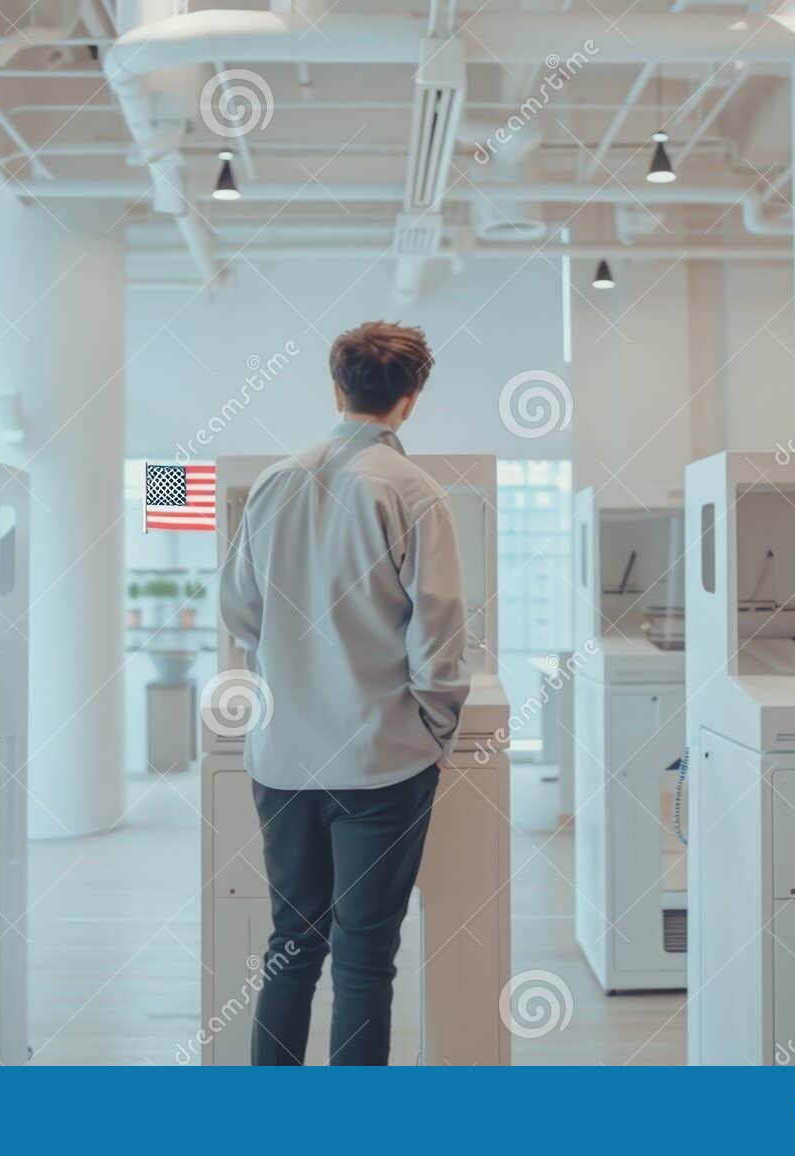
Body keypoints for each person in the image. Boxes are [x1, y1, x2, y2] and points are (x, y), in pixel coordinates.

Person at [220, 321, 471, 1065]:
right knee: (364, 960)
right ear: (412, 398)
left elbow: (239, 611)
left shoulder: (273, 481)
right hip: (381, 761)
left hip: (282, 760)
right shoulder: (417, 493)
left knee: (291, 946)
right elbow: (439, 637)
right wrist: (433, 731)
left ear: (337, 389)